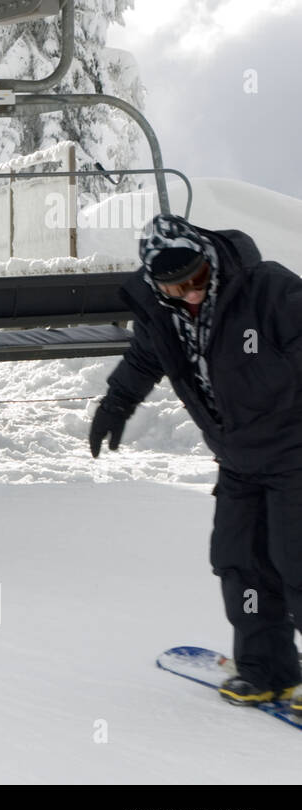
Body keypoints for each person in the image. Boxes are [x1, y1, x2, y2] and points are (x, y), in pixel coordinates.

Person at [90, 213, 302, 713]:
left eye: (197, 280)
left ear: (208, 260)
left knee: (297, 563)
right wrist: (116, 403)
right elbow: (145, 358)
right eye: (174, 287)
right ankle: (265, 669)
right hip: (238, 459)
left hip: (295, 453)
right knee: (241, 564)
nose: (189, 294)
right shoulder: (162, 314)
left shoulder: (269, 290)